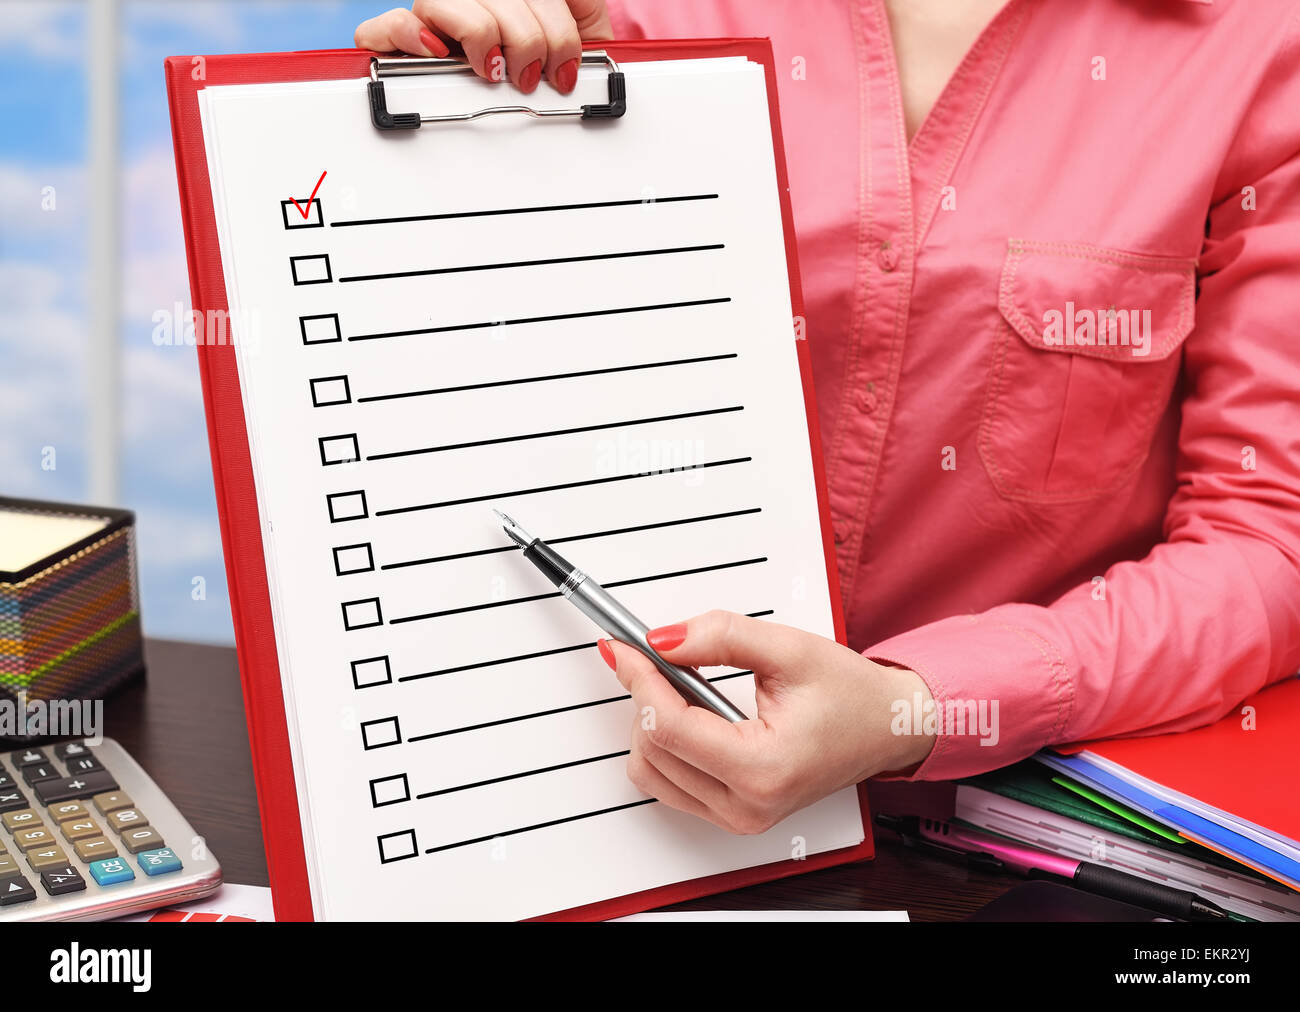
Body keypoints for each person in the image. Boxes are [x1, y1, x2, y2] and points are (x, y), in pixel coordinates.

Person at [354, 1, 1300, 836]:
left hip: (1014, 830)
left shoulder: (1262, 44)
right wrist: (436, 160)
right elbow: (484, 390)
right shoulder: (618, 11)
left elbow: (1271, 539)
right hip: (576, 779)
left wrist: (920, 706)